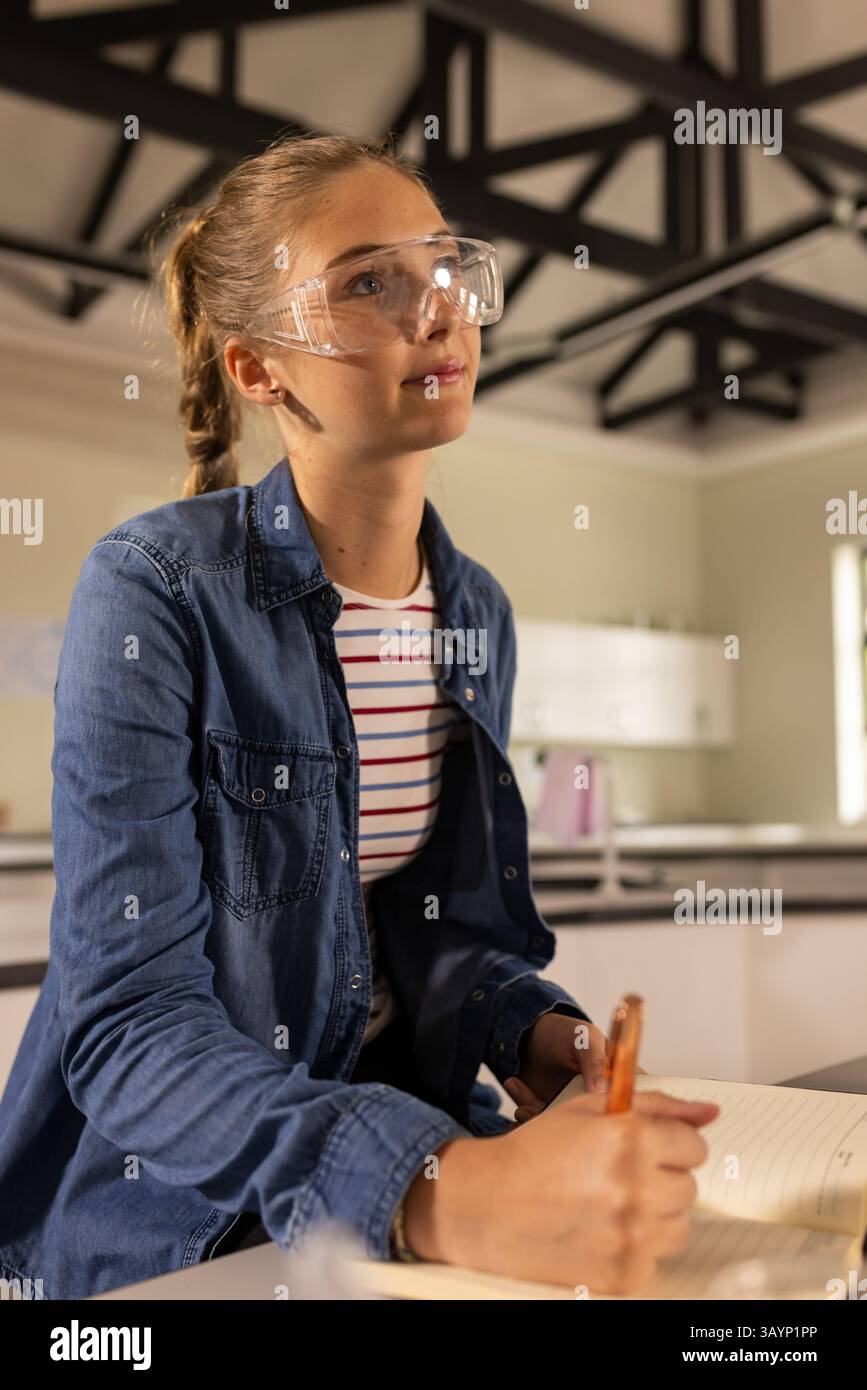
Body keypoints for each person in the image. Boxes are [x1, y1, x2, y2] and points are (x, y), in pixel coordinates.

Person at [0, 133, 718, 1299]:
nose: (437, 308)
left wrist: (536, 1034)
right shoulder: (152, 586)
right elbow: (128, 1026)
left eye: (444, 268)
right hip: (183, 1222)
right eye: (368, 281)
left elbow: (433, 934)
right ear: (256, 369)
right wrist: (438, 1185)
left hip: (406, 1151)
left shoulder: (474, 607)